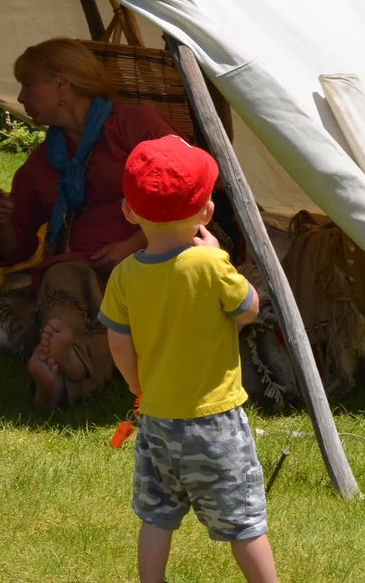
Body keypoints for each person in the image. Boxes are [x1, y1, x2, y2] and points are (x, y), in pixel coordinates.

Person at [98, 136, 275, 583]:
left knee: (157, 515)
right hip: (215, 423)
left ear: (129, 211)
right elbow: (249, 308)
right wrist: (219, 257)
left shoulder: (123, 275)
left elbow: (118, 343)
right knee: (243, 522)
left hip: (158, 419)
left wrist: (139, 386)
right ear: (206, 213)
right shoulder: (211, 265)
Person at [0, 38, 180, 407]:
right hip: (87, 270)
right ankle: (61, 363)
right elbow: (13, 249)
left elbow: (193, 187)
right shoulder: (43, 161)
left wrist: (132, 245)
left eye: (28, 85)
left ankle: (60, 376)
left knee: (134, 316)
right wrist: (2, 223)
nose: (21, 97)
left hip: (155, 257)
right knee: (62, 275)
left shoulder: (134, 125)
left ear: (62, 84)